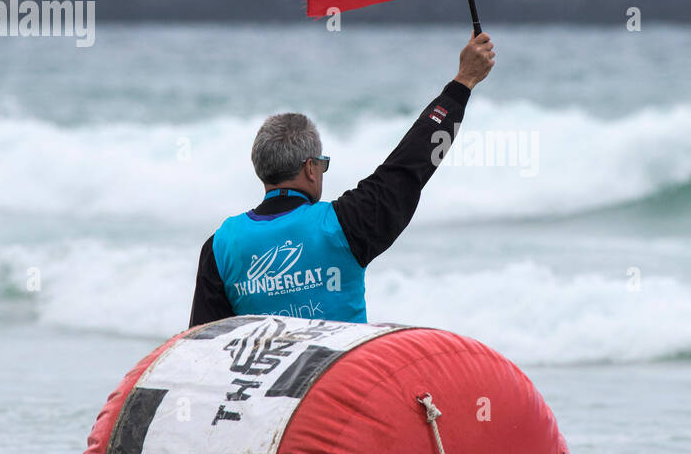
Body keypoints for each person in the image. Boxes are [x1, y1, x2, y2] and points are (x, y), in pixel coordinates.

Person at [188, 30, 495, 327]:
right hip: (340, 379)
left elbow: (202, 348)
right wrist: (463, 83)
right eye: (322, 164)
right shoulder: (344, 224)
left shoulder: (220, 246)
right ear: (310, 168)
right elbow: (410, 165)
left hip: (263, 381)